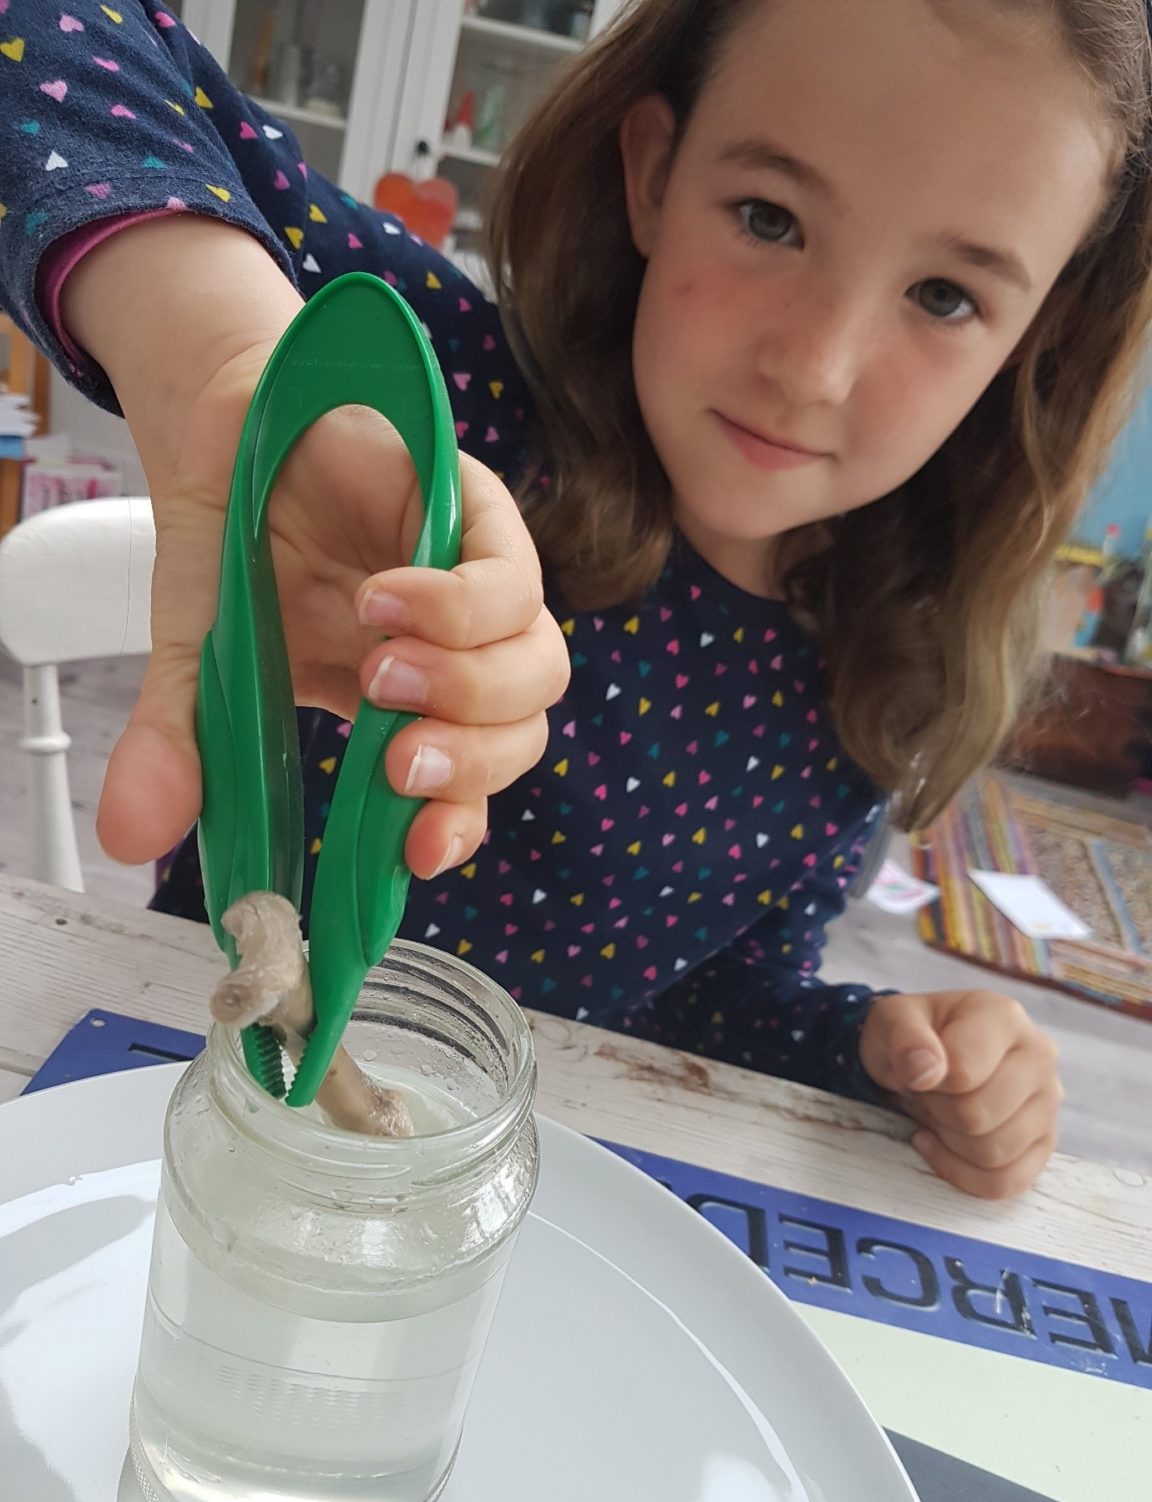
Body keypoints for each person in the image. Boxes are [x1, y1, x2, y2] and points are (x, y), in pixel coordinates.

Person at [3, 0, 1148, 1198]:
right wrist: (211, 354)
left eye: (947, 296)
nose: (814, 367)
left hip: (504, 1192)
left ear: (1038, 334)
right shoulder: (435, 403)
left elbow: (717, 1000)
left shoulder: (878, 658)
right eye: (770, 219)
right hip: (194, 1107)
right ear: (653, 172)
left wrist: (872, 1047)